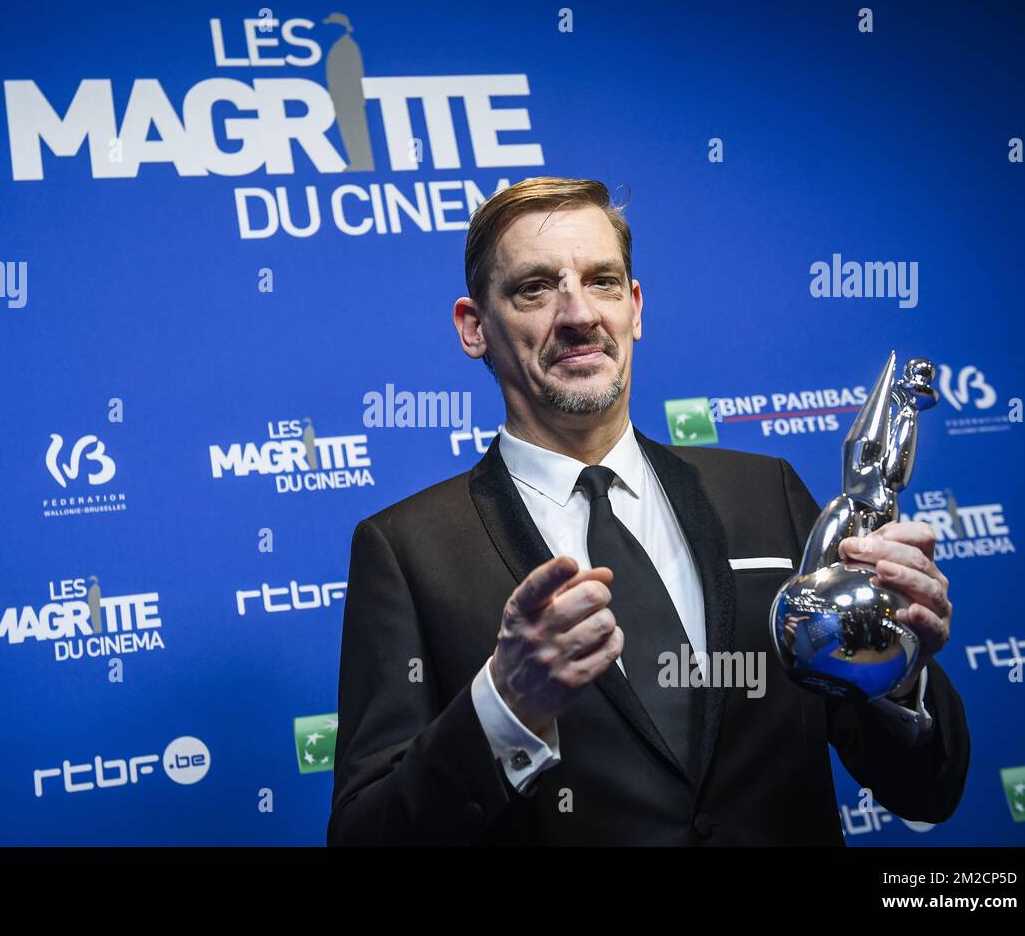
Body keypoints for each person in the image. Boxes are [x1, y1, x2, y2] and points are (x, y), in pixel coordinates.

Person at [328, 177, 968, 845]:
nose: (578, 315)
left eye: (603, 281)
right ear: (474, 327)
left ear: (634, 307)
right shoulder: (408, 551)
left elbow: (930, 787)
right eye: (535, 289)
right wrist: (504, 706)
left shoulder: (765, 495)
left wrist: (898, 666)